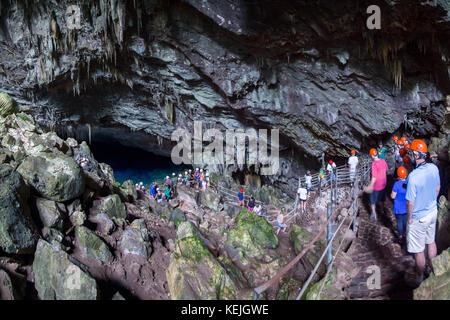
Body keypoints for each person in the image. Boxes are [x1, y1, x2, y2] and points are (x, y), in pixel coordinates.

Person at [405, 139, 440, 284]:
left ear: (416, 155)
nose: (412, 156)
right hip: (432, 211)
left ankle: (419, 276)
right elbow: (437, 188)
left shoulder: (413, 176)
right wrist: (430, 202)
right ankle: (433, 269)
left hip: (419, 217)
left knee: (419, 250)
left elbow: (410, 202)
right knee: (431, 242)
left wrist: (409, 218)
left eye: (413, 154)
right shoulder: (434, 168)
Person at [364, 148, 389, 221]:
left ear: (372, 156)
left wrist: (370, 186)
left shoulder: (374, 164)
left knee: (372, 201)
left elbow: (374, 176)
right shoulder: (383, 161)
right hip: (383, 184)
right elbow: (386, 170)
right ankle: (382, 210)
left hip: (376, 186)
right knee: (381, 199)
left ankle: (374, 214)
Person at [391, 166, 408, 244]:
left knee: (399, 222)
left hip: (398, 207)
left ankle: (400, 237)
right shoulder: (409, 183)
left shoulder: (396, 184)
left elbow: (393, 196)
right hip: (406, 207)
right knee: (405, 221)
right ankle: (405, 235)